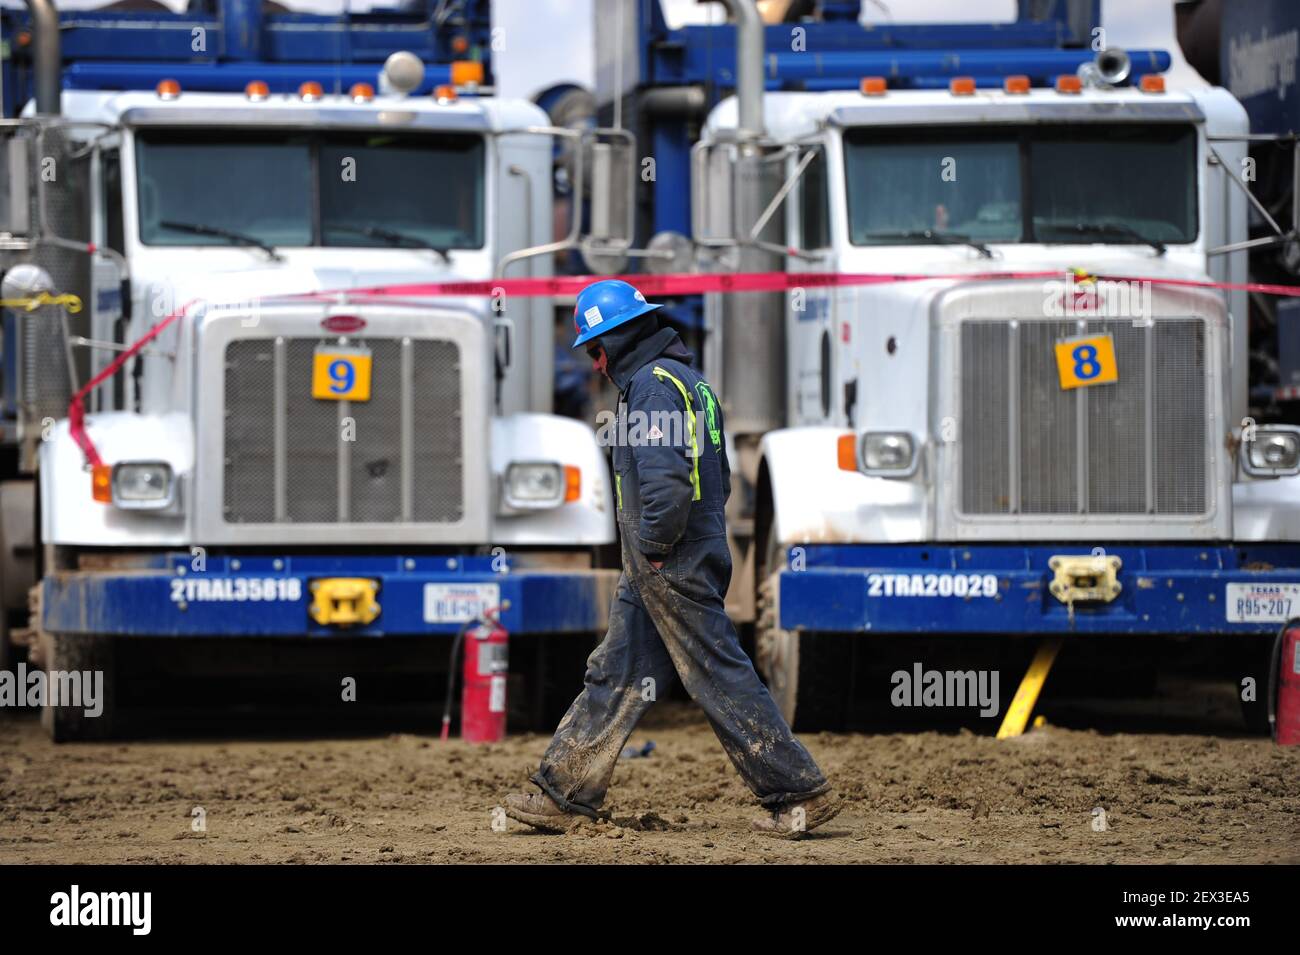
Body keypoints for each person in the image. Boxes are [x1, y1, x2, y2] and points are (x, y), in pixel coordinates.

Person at [503, 279, 839, 838]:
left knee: (717, 674)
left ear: (615, 339)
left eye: (594, 349)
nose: (594, 363)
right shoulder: (687, 381)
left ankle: (797, 788)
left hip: (667, 556)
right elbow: (720, 476)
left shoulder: (651, 388)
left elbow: (665, 484)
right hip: (677, 552)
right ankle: (563, 792)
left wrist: (656, 550)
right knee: (616, 672)